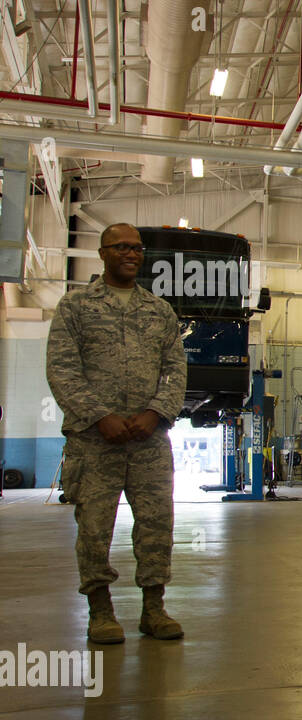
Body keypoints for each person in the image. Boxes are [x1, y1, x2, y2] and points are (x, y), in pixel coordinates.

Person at [46, 223, 187, 644]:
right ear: (102, 253)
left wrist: (156, 413)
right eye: (121, 247)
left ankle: (153, 608)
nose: (131, 254)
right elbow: (62, 369)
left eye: (137, 249)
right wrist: (98, 416)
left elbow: (176, 369)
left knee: (156, 525)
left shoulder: (159, 311)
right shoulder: (75, 307)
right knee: (93, 527)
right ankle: (100, 612)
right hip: (94, 442)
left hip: (148, 441)